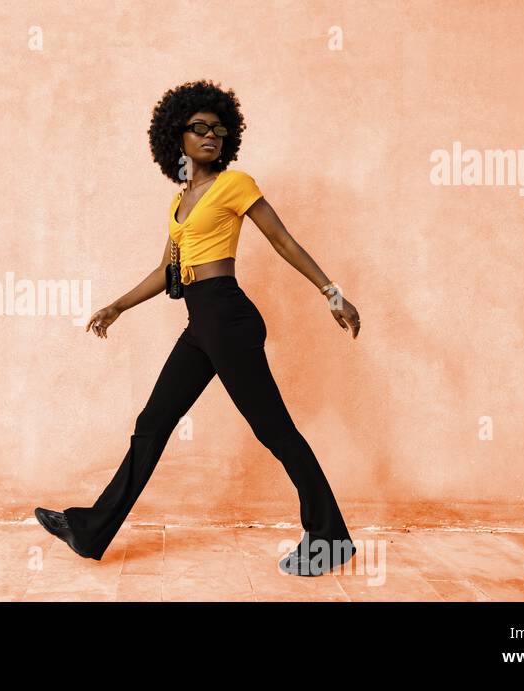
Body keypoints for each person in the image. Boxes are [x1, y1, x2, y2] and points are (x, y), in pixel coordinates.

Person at [35, 79, 361, 576]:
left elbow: (283, 241)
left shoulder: (235, 184)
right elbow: (167, 269)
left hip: (228, 317)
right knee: (152, 424)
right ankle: (90, 529)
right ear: (177, 138)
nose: (212, 135)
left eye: (219, 129)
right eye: (199, 127)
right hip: (200, 323)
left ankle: (330, 537)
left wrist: (332, 293)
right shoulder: (179, 203)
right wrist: (117, 306)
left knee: (273, 429)